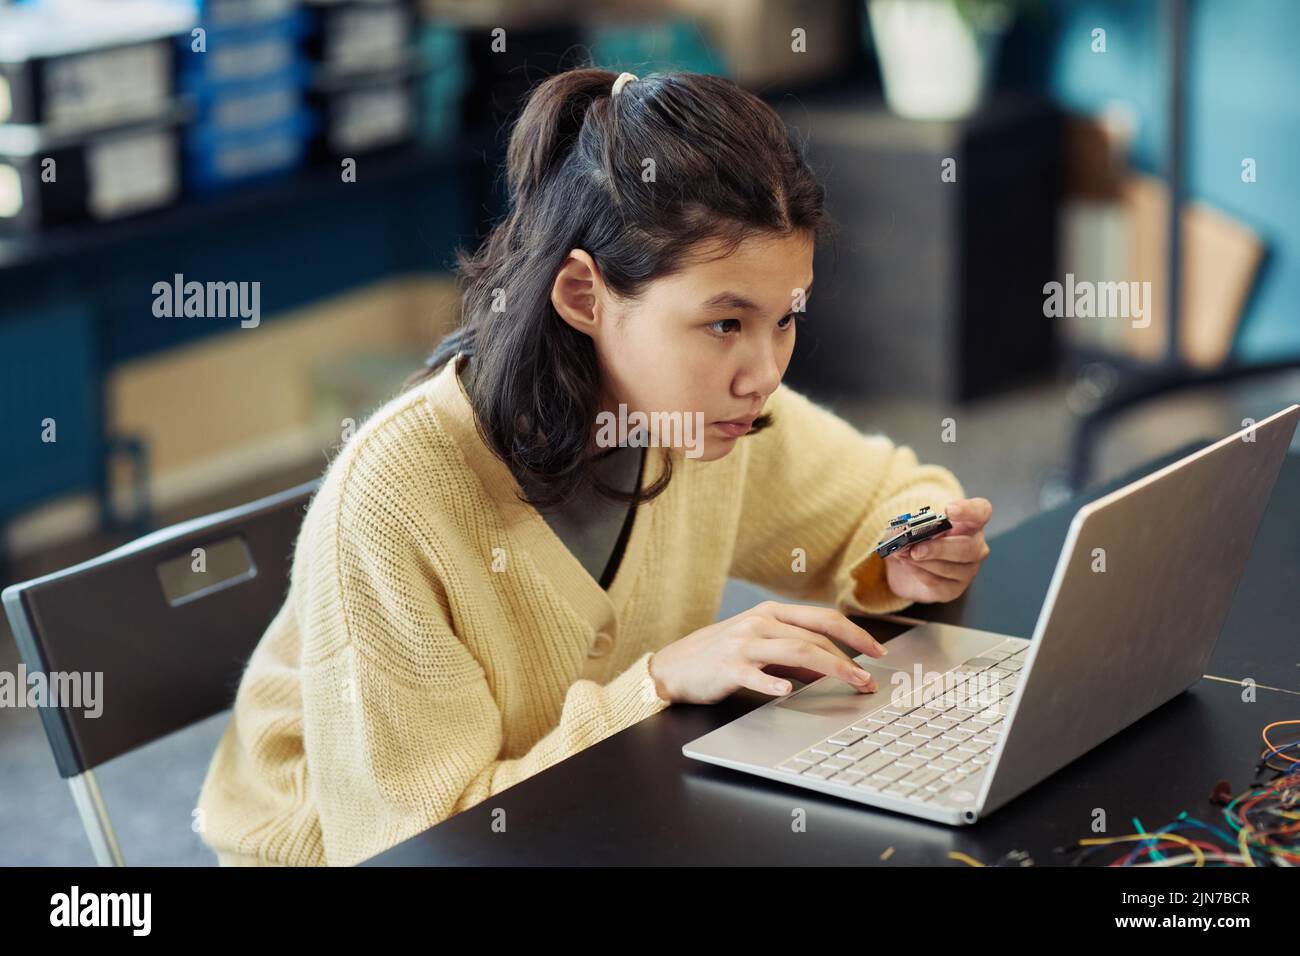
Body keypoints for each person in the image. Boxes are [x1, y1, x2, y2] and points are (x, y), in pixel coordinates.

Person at [196, 67, 992, 867]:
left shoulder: (704, 416)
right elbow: (424, 843)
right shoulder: (395, 499)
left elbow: (888, 498)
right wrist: (657, 682)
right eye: (725, 323)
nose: (764, 373)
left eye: (785, 319)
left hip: (586, 815)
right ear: (583, 295)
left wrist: (913, 545)